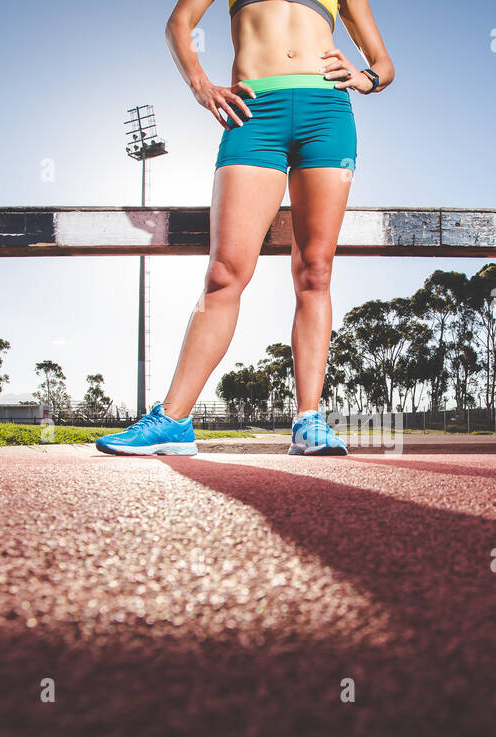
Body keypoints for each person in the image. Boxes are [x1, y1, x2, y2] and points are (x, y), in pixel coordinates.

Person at [97, 0, 393, 457]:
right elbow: (179, 22)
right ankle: (173, 421)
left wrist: (366, 77)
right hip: (255, 114)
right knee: (224, 271)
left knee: (315, 270)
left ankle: (308, 421)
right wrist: (200, 84)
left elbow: (384, 64)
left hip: (327, 114)